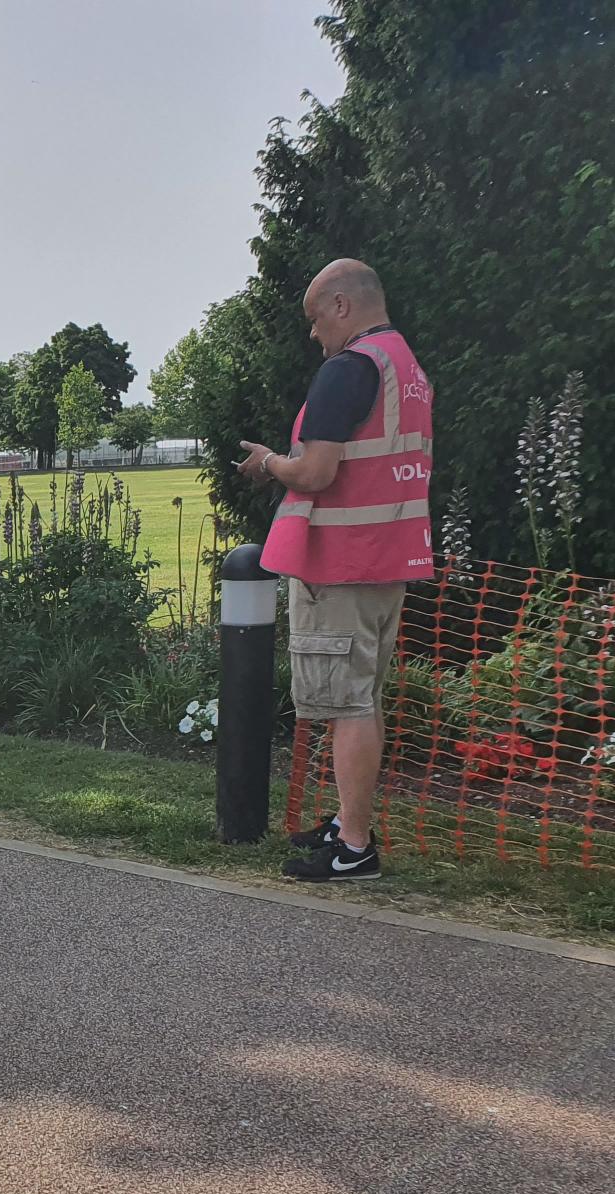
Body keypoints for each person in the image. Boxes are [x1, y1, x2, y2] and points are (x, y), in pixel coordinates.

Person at [240, 258, 434, 883]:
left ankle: (353, 847)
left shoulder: (348, 369)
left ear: (342, 306)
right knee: (364, 698)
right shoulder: (404, 367)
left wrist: (271, 462)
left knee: (346, 704)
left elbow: (317, 472)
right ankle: (351, 824)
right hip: (384, 559)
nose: (313, 332)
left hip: (340, 564)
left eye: (315, 317)